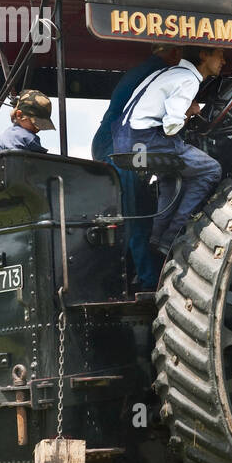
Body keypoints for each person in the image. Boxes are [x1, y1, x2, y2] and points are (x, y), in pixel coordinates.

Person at [113, 45, 225, 272]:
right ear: (204, 55)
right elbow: (171, 126)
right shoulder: (189, 80)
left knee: (170, 176)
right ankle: (173, 236)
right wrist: (189, 113)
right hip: (146, 141)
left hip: (125, 140)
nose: (224, 60)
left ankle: (156, 238)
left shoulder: (164, 72)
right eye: (220, 54)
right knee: (211, 169)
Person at [92, 45, 182, 289]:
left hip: (118, 146)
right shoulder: (160, 75)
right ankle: (147, 282)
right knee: (136, 217)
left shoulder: (144, 71)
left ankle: (139, 276)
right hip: (121, 149)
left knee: (136, 214)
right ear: (174, 54)